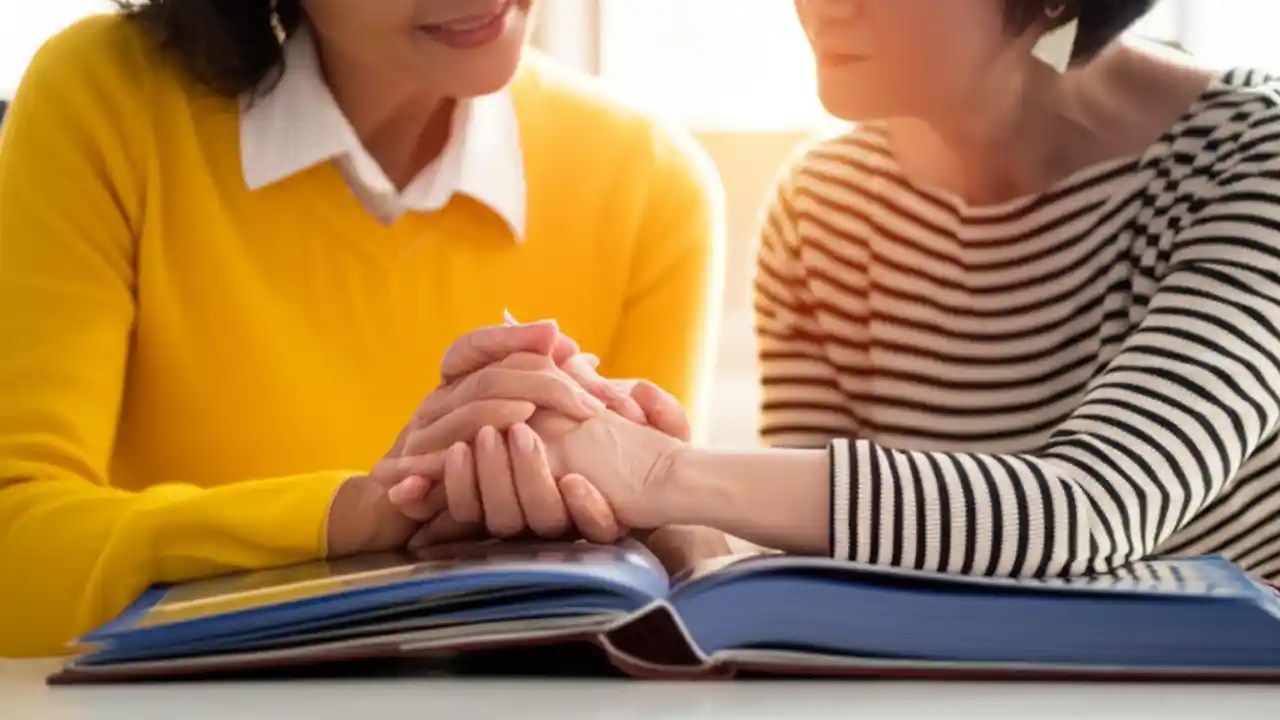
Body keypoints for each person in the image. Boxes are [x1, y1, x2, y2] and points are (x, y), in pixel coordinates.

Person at [400, 0, 1280, 585]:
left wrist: (660, 472)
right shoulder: (825, 207)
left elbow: (1091, 506)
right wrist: (616, 501)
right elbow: (817, 579)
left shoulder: (1251, 162)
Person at [0, 0, 723, 657]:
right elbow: (16, 548)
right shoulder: (108, 99)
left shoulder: (649, 184)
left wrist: (678, 534)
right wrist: (361, 515)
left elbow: (640, 604)